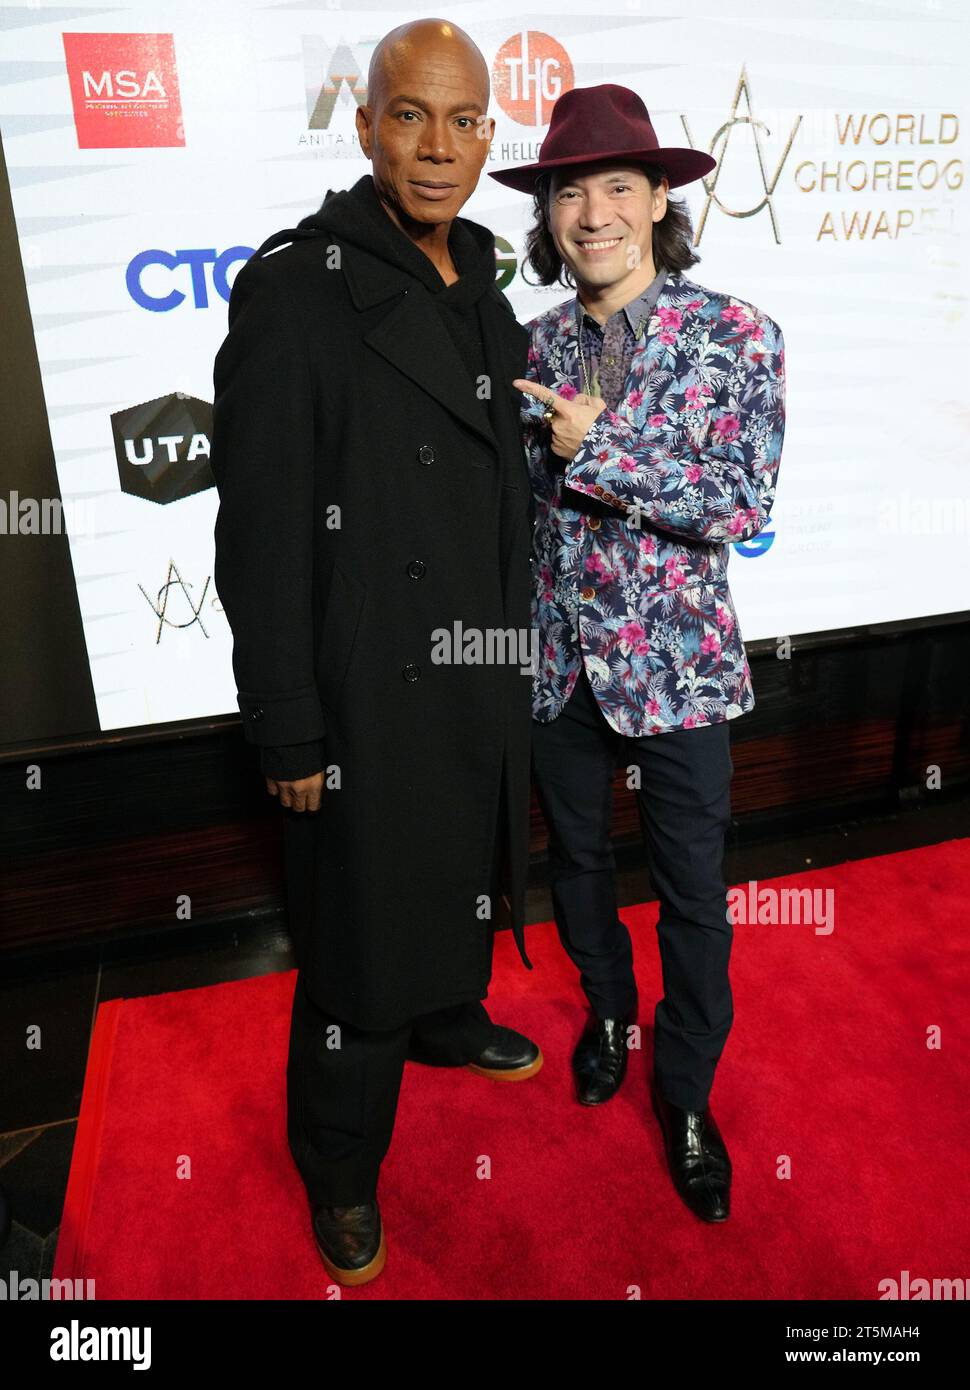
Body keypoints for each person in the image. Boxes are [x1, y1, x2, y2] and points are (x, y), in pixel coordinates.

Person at [210, 18, 541, 1286]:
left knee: (457, 867)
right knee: (356, 939)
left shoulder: (489, 287)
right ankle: (341, 1165)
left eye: (465, 121)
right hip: (366, 693)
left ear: (487, 137)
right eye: (411, 115)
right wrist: (288, 723)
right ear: (364, 125)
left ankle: (448, 1012)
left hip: (478, 668)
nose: (438, 147)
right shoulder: (296, 290)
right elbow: (261, 529)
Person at [490, 84, 786, 1222]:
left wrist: (600, 444)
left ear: (660, 199)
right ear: (552, 216)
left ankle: (688, 1094)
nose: (594, 211)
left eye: (618, 185)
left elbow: (738, 501)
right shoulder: (533, 341)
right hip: (556, 668)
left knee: (694, 898)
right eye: (571, 191)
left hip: (678, 671)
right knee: (574, 867)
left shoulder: (736, 334)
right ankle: (607, 1014)